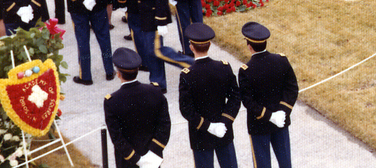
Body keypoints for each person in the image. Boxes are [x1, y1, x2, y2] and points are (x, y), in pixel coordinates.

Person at [179, 24, 240, 168]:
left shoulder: (188, 75)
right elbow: (235, 98)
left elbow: (186, 109)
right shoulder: (224, 67)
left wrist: (207, 126)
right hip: (223, 130)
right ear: (210, 45)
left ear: (191, 47)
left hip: (200, 133)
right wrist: (224, 122)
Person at [239, 22, 298, 168]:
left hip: (259, 125)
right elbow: (292, 88)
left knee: (262, 165)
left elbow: (248, 101)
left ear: (249, 46)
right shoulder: (281, 61)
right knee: (285, 163)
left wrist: (269, 116)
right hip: (281, 122)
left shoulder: (246, 70)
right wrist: (282, 113)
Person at [104, 48, 171, 168]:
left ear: (118, 74)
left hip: (128, 161)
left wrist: (136, 159)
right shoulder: (155, 92)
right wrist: (152, 152)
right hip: (153, 159)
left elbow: (117, 137)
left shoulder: (112, 102)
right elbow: (165, 125)